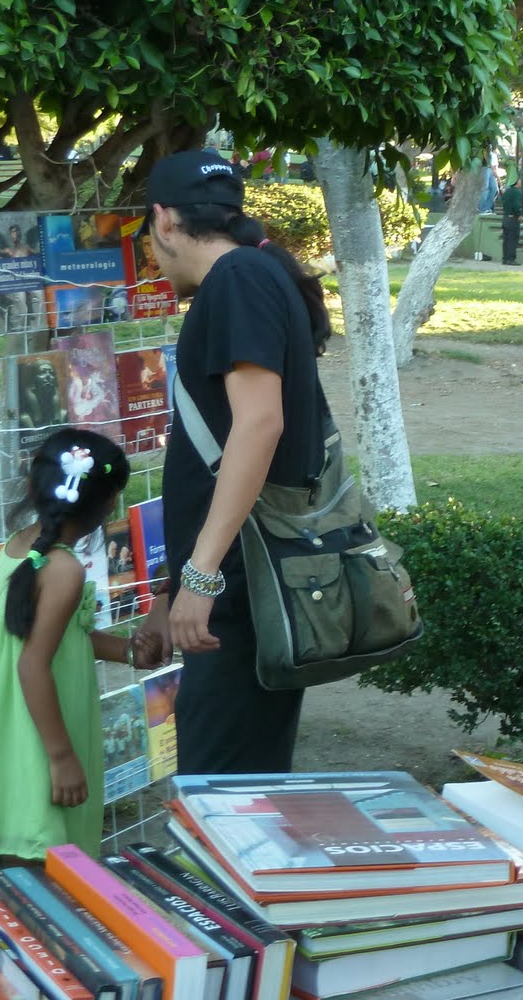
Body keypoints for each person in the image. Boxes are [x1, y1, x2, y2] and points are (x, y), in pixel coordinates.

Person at [132, 149, 332, 775]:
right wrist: (174, 590)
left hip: (241, 586)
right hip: (240, 576)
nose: (152, 258)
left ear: (164, 221)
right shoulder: (253, 274)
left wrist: (201, 578)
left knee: (220, 798)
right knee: (243, 788)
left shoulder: (238, 281)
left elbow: (259, 423)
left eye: (147, 239)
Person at [0, 429, 154, 866]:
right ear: (111, 502)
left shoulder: (22, 545)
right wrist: (61, 756)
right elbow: (33, 663)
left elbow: (53, 636)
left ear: (33, 486)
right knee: (36, 845)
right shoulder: (63, 569)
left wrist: (127, 652)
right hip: (33, 728)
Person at [500, 174, 523, 265]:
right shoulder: (516, 192)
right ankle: (511, 259)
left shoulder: (507, 191)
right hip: (512, 218)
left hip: (506, 217)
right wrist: (519, 214)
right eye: (519, 180)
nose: (520, 182)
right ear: (516, 182)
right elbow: (516, 205)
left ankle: (505, 258)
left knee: (506, 239)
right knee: (512, 239)